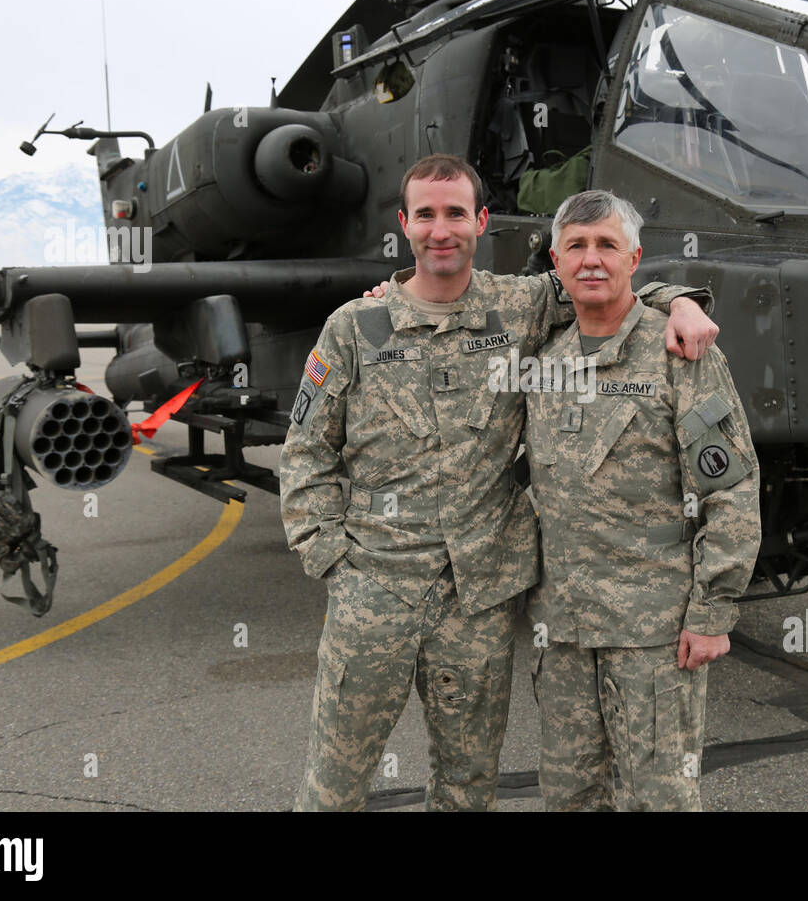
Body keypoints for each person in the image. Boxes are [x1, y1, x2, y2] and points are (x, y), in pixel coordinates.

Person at [279, 154, 719, 811]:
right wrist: (332, 561)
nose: (441, 230)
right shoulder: (355, 327)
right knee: (334, 782)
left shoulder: (518, 306)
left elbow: (602, 280)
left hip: (479, 597)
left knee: (468, 785)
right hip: (375, 587)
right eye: (426, 215)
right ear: (404, 224)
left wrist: (679, 302)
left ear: (481, 221)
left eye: (456, 213)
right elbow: (305, 452)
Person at [525, 189, 761, 811]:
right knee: (570, 795)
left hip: (652, 631)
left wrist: (712, 612)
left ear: (634, 258)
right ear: (556, 261)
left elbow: (730, 490)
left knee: (659, 798)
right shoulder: (543, 361)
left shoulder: (680, 352)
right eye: (577, 246)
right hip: (563, 629)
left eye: (607, 245)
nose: (591, 259)